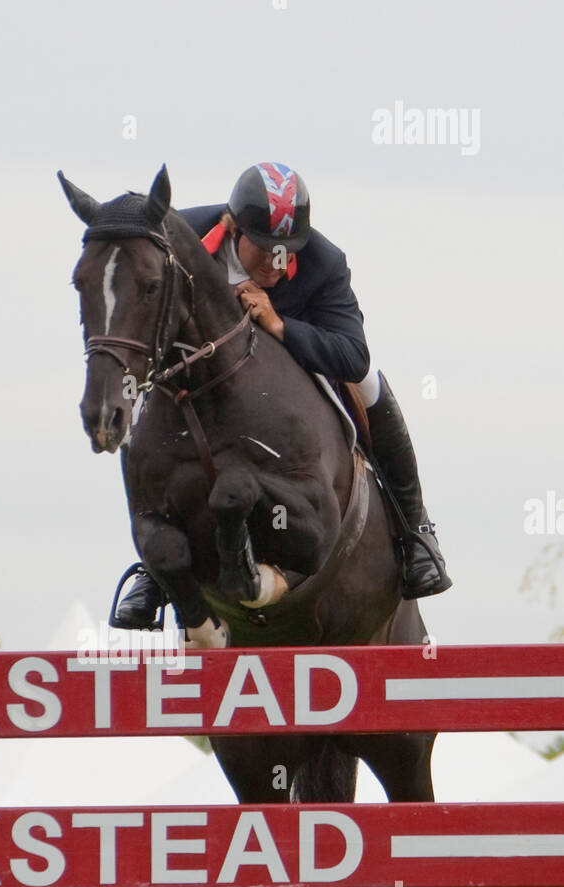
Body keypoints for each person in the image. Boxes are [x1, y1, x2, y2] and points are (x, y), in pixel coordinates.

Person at [114, 160, 451, 629]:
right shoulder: (183, 239)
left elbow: (352, 354)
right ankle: (155, 569)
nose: (276, 264)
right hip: (200, 378)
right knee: (145, 409)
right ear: (233, 227)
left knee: (371, 382)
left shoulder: (323, 261)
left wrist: (279, 325)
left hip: (297, 362)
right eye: (265, 250)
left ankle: (416, 532)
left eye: (285, 252)